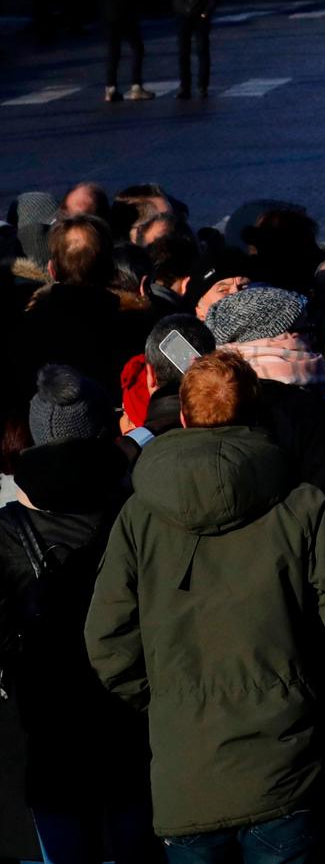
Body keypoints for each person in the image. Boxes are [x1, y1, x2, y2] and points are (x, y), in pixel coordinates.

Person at [85, 351, 325, 860]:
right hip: (289, 764)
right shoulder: (303, 506)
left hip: (188, 774)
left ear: (182, 418)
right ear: (257, 413)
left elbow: (107, 641)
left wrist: (168, 700)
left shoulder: (139, 516)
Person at [2, 368, 162, 864]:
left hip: (50, 735)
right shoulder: (146, 509)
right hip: (137, 727)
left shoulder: (8, 530)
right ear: (103, 432)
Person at [164, 0, 218, 99]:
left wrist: (206, 11)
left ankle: (202, 86)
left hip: (200, 13)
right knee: (183, 52)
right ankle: (184, 86)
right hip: (182, 13)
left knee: (202, 50)